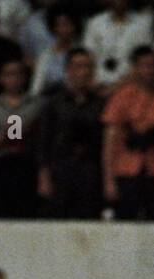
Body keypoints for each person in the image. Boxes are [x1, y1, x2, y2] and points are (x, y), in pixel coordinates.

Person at [102, 45, 154, 221]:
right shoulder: (121, 97)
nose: (149, 70)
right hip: (126, 170)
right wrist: (108, 180)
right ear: (134, 68)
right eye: (144, 65)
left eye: (153, 65)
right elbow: (110, 141)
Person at [36, 46, 104, 220]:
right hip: (61, 170)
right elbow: (44, 141)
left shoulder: (101, 104)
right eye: (78, 66)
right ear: (68, 70)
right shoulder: (54, 103)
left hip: (90, 171)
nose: (83, 72)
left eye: (88, 66)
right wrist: (44, 176)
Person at [0, 55, 40, 217]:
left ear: (25, 77)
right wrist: (4, 136)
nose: (14, 79)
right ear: (1, 78)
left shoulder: (37, 105)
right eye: (9, 74)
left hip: (28, 167)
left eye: (18, 74)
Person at [83, 0, 154, 91]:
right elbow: (87, 57)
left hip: (131, 87)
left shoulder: (142, 25)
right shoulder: (95, 23)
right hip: (97, 86)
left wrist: (116, 87)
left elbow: (145, 61)